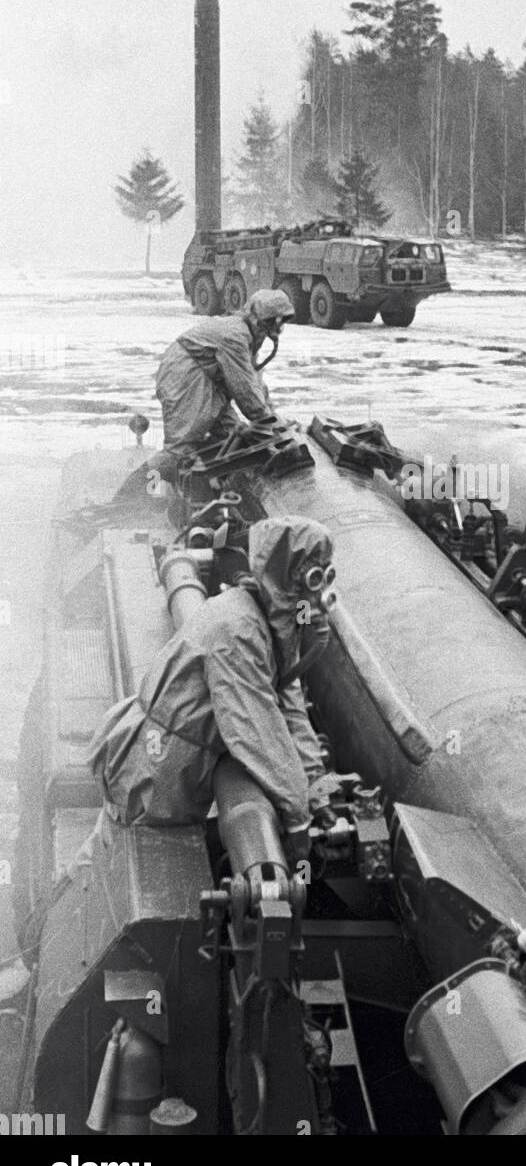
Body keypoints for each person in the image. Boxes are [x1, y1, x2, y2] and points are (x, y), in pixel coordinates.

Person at [86, 516, 338, 865]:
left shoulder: (275, 622)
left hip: (189, 756)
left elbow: (290, 707)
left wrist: (316, 788)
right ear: (283, 576)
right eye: (310, 575)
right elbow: (255, 730)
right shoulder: (237, 632)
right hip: (159, 766)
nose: (317, 588)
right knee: (117, 852)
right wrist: (298, 819)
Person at [154, 288, 295, 477]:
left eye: (281, 321)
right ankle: (138, 494)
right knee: (179, 449)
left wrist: (274, 420)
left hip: (207, 377)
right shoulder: (235, 335)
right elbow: (244, 390)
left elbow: (255, 382)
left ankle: (204, 486)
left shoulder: (251, 335)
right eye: (274, 321)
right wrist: (269, 424)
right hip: (186, 373)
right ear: (260, 319)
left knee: (232, 438)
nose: (278, 328)